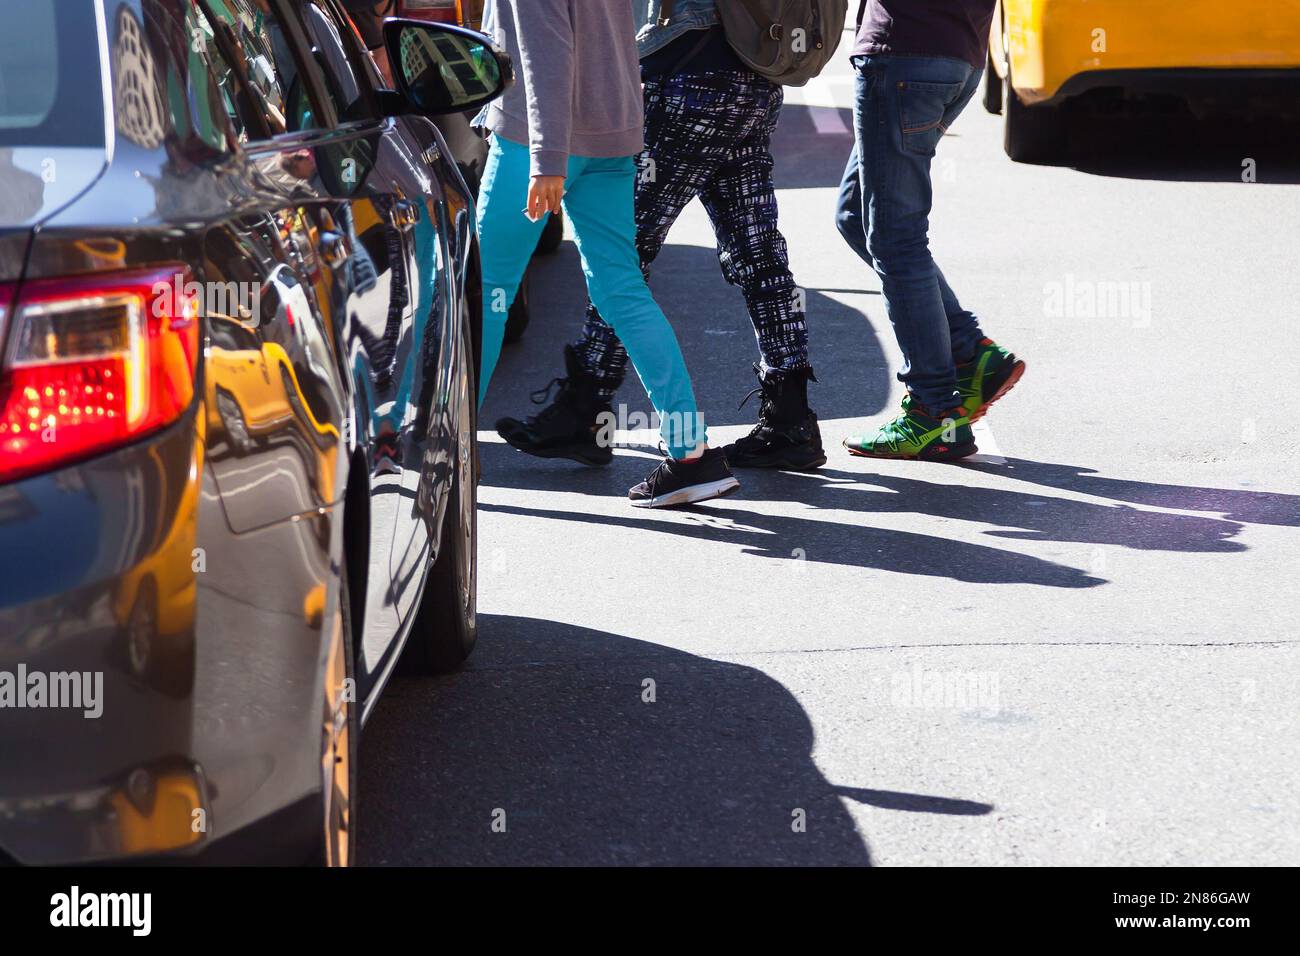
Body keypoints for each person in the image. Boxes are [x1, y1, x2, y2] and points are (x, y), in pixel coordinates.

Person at [495, 0, 824, 473]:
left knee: (622, 253)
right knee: (758, 252)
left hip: (686, 80)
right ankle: (791, 415)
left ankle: (587, 407)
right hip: (754, 81)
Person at [475, 0, 739, 507]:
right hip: (611, 135)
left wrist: (547, 158)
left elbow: (545, 51)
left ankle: (449, 444)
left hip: (537, 144)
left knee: (489, 292)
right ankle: (690, 453)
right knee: (623, 291)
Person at [839, 0, 1025, 461]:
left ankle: (935, 412)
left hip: (905, 49)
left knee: (895, 238)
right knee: (855, 217)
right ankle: (967, 350)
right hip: (957, 53)